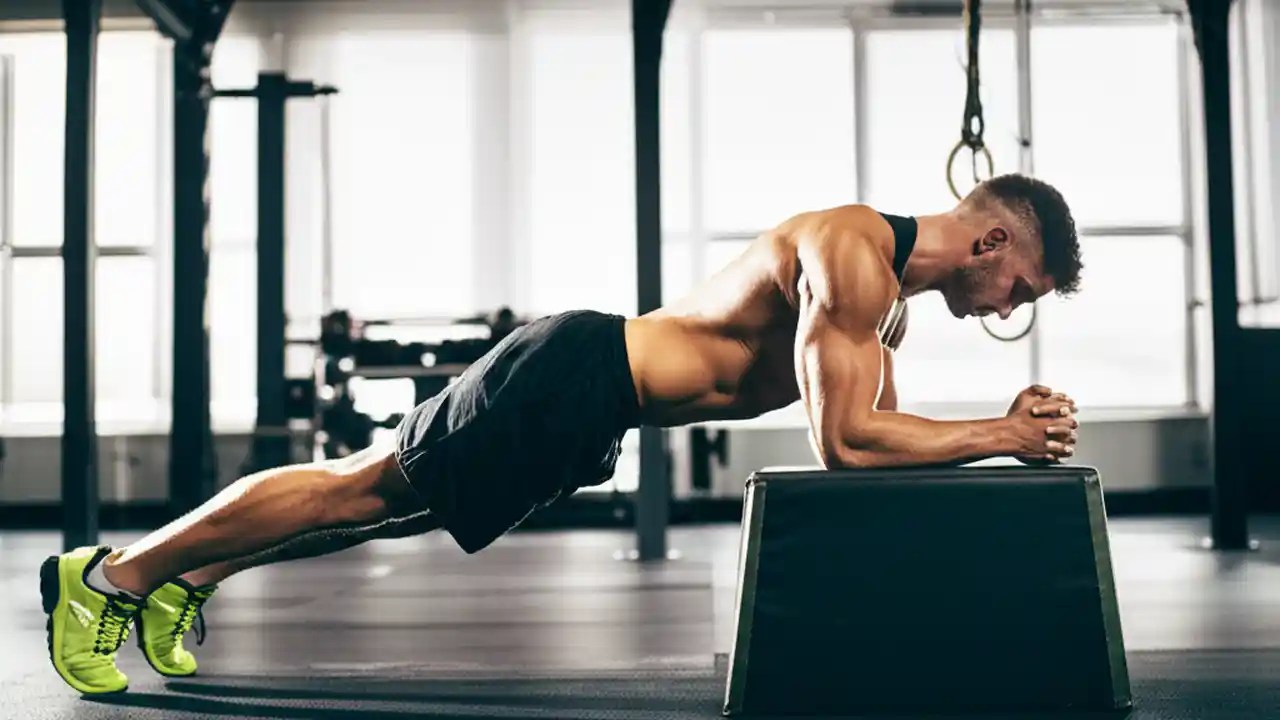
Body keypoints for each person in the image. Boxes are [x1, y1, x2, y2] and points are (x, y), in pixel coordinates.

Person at [42, 173, 1083, 694]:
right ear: (991, 238)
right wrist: (995, 431)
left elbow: (885, 433)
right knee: (355, 487)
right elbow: (845, 444)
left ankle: (191, 576)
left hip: (593, 409)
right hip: (575, 374)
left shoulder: (884, 308)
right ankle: (112, 579)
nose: (1003, 310)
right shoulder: (853, 255)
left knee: (385, 517)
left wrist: (1007, 430)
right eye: (1015, 289)